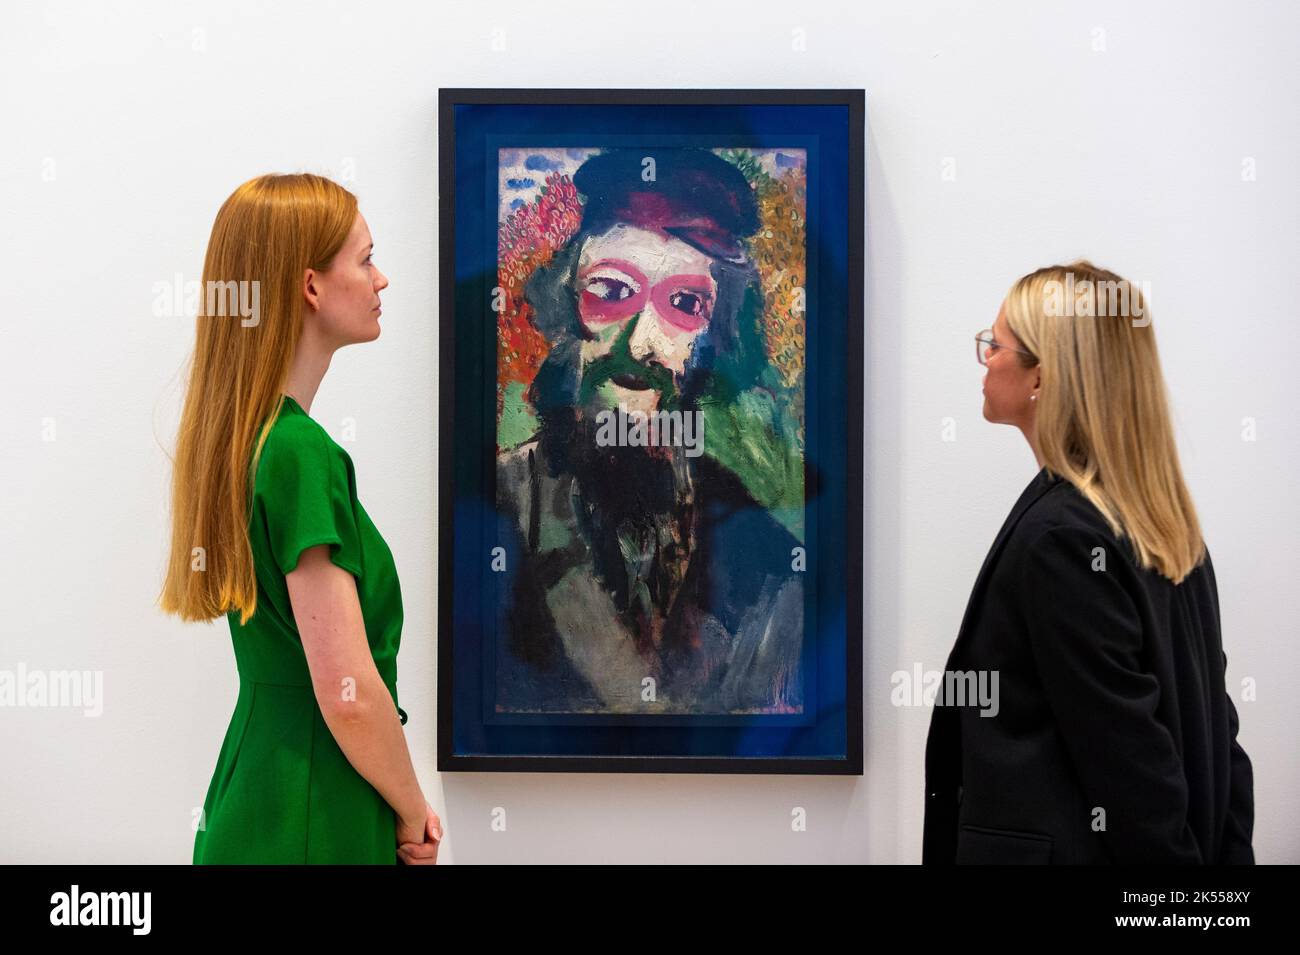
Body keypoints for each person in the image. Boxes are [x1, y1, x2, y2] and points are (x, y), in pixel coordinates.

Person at [923, 260, 1255, 864]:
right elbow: (1218, 747)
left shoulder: (1066, 541)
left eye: (995, 344)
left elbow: (1134, 777)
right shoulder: (1167, 528)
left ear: (1042, 377)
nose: (986, 358)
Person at [159, 173, 441, 864]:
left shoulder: (251, 441)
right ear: (311, 286)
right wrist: (412, 810)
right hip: (316, 805)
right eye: (366, 259)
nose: (382, 279)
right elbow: (346, 691)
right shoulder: (299, 454)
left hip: (266, 786)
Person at [494, 148, 804, 715]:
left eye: (685, 304)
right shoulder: (501, 506)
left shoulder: (766, 563)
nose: (640, 344)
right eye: (612, 292)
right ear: (566, 304)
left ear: (713, 338)